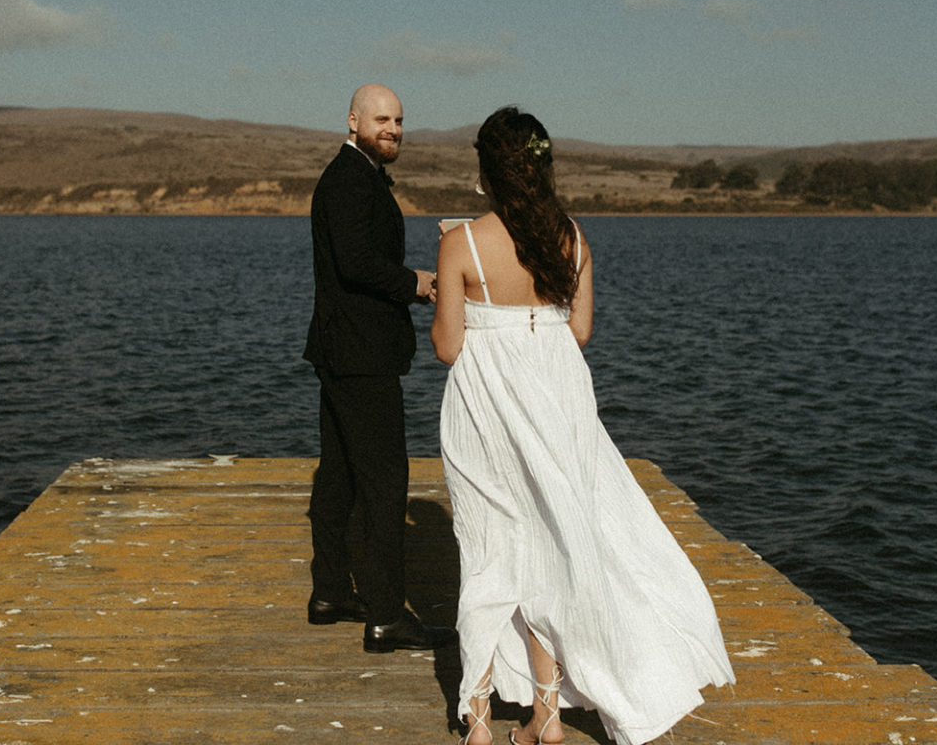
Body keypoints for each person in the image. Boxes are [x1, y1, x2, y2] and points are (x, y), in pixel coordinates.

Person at [432, 106, 734, 745]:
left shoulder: (460, 242)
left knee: (487, 550)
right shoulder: (572, 236)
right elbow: (582, 331)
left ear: (486, 172)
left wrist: (447, 289)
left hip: (486, 406)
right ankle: (547, 719)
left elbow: (448, 348)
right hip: (560, 402)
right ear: (542, 169)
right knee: (550, 548)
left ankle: (479, 722)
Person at [303, 82, 456, 653]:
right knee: (386, 484)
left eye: (399, 120)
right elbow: (358, 264)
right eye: (382, 119)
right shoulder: (348, 180)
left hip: (345, 351)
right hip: (361, 356)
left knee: (340, 477)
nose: (392, 129)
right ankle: (388, 616)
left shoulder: (358, 175)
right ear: (352, 120)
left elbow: (358, 263)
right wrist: (417, 283)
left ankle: (329, 594)